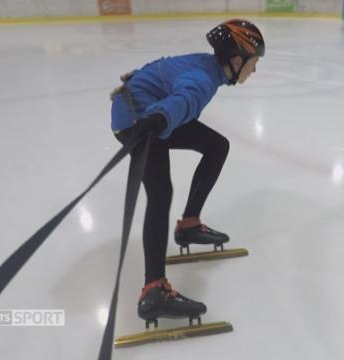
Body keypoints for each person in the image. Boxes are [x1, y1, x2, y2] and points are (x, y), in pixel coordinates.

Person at [109, 19, 265, 325]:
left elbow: (166, 67)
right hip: (139, 119)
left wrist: (138, 78)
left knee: (216, 146)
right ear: (237, 60)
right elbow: (184, 98)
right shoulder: (204, 80)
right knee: (160, 192)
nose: (254, 70)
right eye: (253, 63)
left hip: (148, 109)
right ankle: (154, 291)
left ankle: (189, 225)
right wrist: (159, 117)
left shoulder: (207, 65)